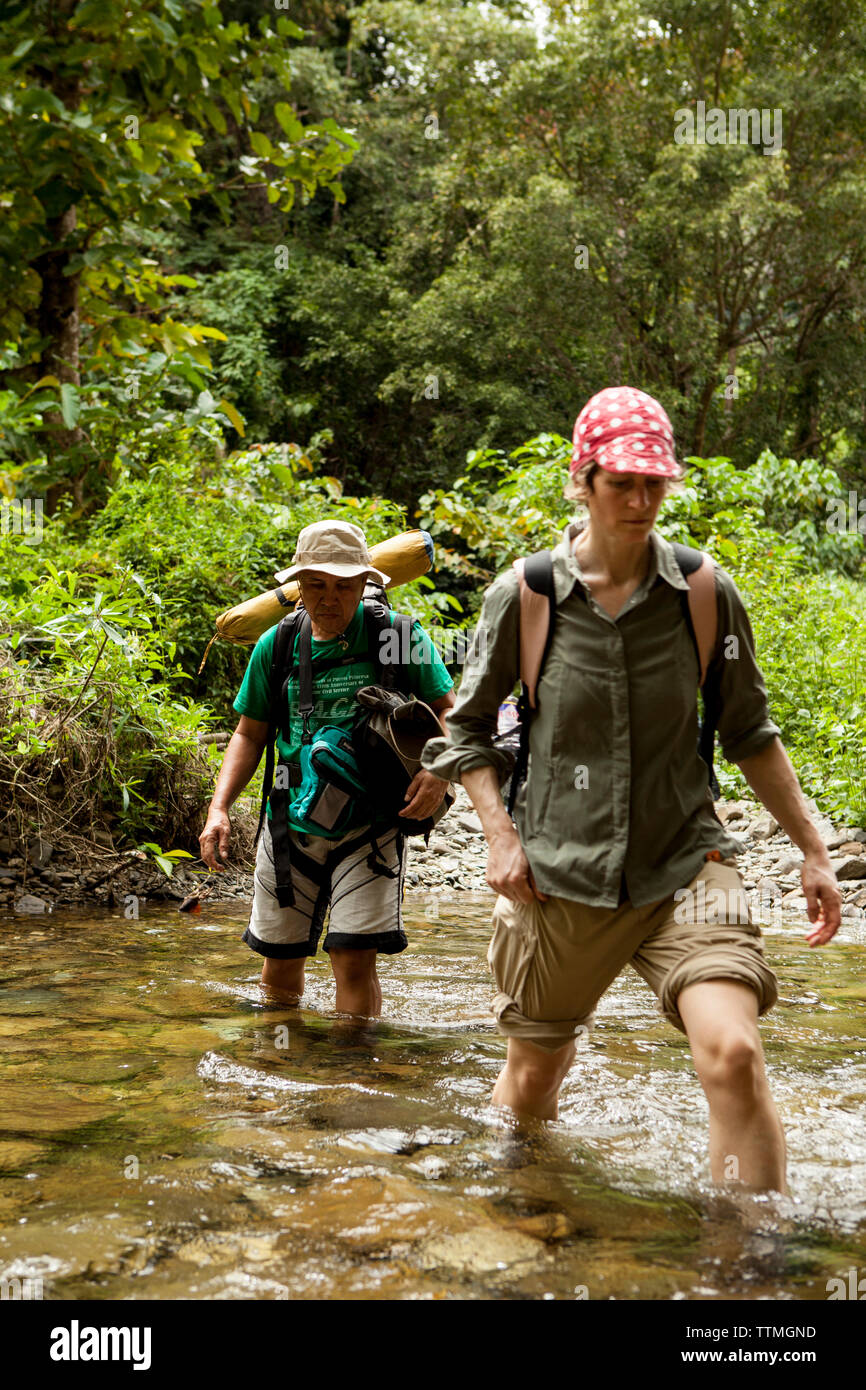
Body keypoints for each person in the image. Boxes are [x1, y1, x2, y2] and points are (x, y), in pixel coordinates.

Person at [420, 386, 842, 1194]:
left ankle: (747, 1259)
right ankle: (520, 1211)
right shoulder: (529, 595)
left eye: (656, 483)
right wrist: (500, 839)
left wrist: (816, 851)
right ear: (583, 481)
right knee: (534, 1079)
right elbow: (467, 730)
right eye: (623, 483)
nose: (642, 501)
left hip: (687, 865)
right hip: (560, 877)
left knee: (733, 1053)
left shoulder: (705, 596)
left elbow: (748, 730)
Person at [200, 520, 455, 1017]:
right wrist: (219, 808)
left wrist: (439, 767)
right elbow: (249, 734)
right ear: (299, 585)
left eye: (344, 585)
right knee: (278, 961)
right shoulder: (275, 645)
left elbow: (450, 708)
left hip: (372, 820)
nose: (329, 598)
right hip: (288, 821)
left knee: (354, 959)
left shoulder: (396, 637)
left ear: (366, 584)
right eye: (316, 584)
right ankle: (278, 1062)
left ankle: (352, 1076)